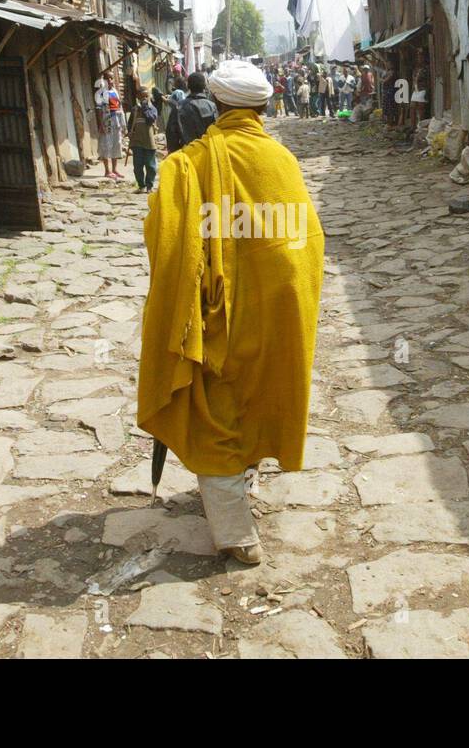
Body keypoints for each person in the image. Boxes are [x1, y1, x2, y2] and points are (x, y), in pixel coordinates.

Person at [138, 60, 325, 565]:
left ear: (217, 107)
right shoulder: (282, 160)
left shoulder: (187, 165)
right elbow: (306, 245)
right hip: (276, 316)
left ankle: (235, 534)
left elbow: (168, 241)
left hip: (216, 318)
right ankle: (247, 482)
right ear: (265, 107)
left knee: (216, 413)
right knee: (260, 398)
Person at [165, 71, 218, 152]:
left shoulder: (178, 106)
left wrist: (175, 154)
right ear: (204, 86)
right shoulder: (212, 106)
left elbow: (171, 133)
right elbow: (217, 132)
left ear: (188, 86)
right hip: (208, 153)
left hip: (186, 153)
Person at [128, 94, 159, 192]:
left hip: (149, 141)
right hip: (137, 142)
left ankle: (149, 186)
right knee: (137, 166)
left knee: (151, 166)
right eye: (142, 96)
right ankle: (141, 186)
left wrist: (145, 108)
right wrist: (129, 133)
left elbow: (150, 119)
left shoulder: (152, 108)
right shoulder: (134, 110)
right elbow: (130, 124)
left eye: (146, 96)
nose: (144, 98)